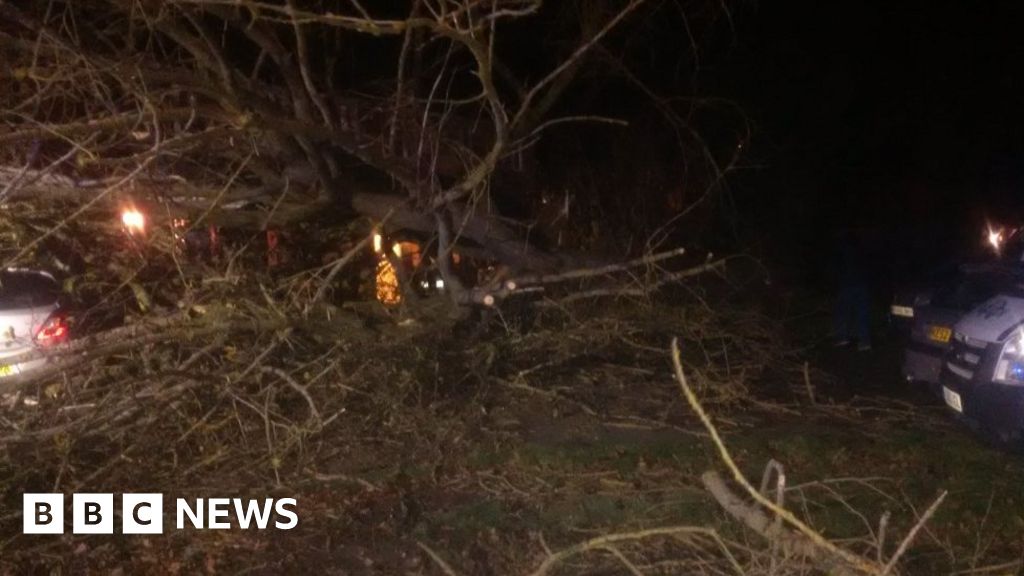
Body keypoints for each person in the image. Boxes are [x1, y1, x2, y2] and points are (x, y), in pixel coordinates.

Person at [834, 227, 872, 351]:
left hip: (849, 284)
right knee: (861, 313)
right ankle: (863, 340)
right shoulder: (863, 249)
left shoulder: (844, 250)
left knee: (844, 311)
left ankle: (844, 337)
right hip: (860, 284)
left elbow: (839, 267)